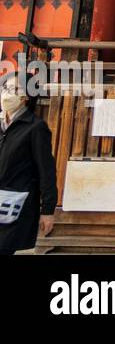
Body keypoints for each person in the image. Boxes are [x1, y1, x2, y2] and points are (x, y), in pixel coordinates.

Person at [0, 73, 56, 255]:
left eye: (15, 89)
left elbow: (46, 172)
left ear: (26, 96)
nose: (7, 94)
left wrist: (47, 210)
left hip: (15, 204)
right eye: (5, 88)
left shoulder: (35, 128)